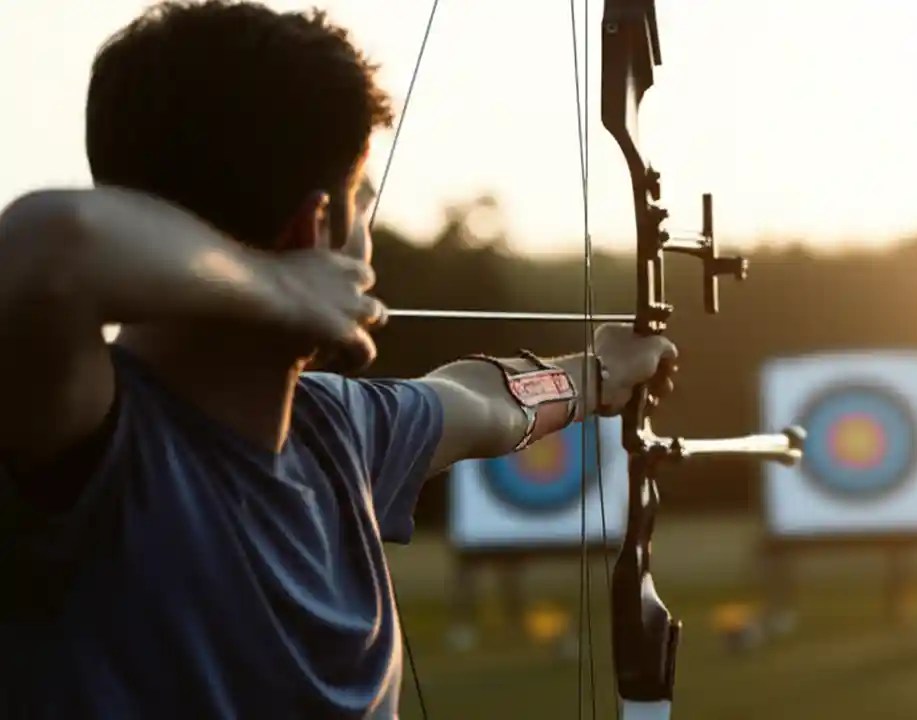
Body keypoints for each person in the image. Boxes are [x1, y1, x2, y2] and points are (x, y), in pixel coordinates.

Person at [0, 2, 677, 717]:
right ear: (315, 227)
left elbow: (486, 402)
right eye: (365, 200)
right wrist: (273, 284)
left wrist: (598, 375)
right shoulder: (81, 449)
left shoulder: (339, 432)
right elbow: (47, 245)